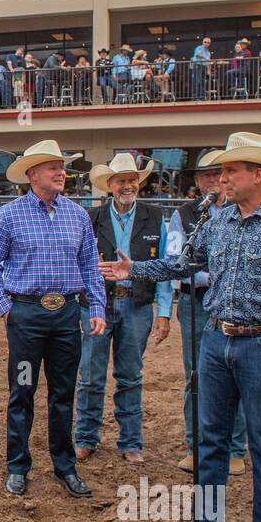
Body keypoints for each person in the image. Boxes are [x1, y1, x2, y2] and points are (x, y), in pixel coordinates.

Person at [100, 132, 261, 522]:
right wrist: (136, 268)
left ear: (257, 175)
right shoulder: (218, 221)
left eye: (230, 171)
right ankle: (208, 520)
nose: (220, 179)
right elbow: (182, 263)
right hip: (217, 338)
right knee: (210, 437)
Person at [0, 140, 107, 499]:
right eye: (53, 167)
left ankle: (64, 466)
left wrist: (96, 308)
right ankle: (18, 466)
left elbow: (89, 266)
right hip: (27, 316)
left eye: (62, 166)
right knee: (22, 390)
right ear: (32, 174)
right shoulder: (9, 215)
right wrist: (5, 307)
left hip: (66, 315)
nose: (61, 172)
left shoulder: (78, 215)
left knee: (64, 392)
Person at [74, 153, 172, 463]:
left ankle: (131, 441)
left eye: (132, 180)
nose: (128, 185)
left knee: (131, 375)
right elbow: (78, 261)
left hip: (137, 302)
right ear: (110, 186)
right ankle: (86, 436)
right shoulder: (91, 218)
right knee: (90, 375)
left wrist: (164, 313)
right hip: (97, 304)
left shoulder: (155, 217)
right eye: (121, 181)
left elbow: (166, 268)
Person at [169, 151, 249, 475]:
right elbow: (177, 261)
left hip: (235, 304)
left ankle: (235, 448)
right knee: (196, 376)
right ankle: (196, 445)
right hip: (196, 303)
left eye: (219, 174)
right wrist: (213, 276)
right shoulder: (185, 215)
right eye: (206, 176)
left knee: (236, 373)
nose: (213, 180)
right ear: (198, 181)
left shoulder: (242, 212)